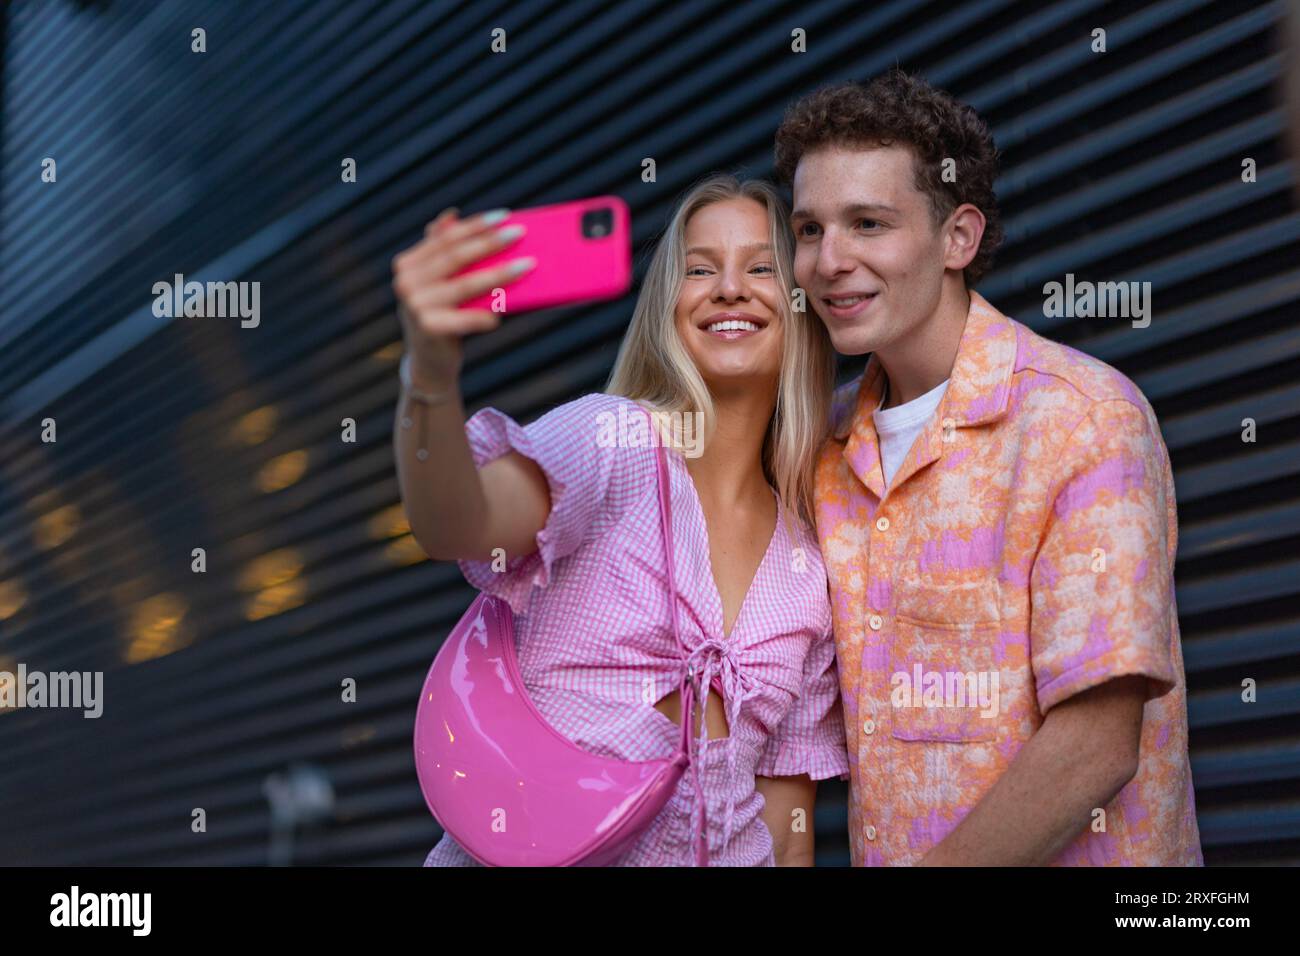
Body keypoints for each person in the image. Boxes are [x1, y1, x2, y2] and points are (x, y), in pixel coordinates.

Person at [774, 70, 1203, 865]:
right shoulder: (821, 451)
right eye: (808, 229)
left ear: (958, 238)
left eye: (868, 223)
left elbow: (1097, 743)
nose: (829, 260)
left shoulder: (1080, 418)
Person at [393, 174, 850, 866]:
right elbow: (456, 524)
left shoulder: (808, 564)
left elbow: (788, 823)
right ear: (668, 307)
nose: (729, 287)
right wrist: (427, 374)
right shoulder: (614, 442)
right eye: (699, 269)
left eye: (762, 267)